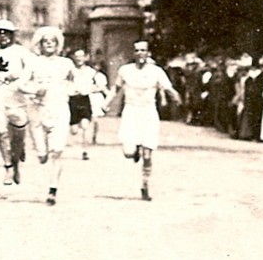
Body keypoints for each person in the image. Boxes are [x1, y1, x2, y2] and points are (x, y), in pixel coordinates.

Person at [106, 41, 182, 201]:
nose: (140, 53)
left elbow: (168, 88)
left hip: (148, 112)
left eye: (143, 50)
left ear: (148, 53)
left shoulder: (157, 71)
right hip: (131, 112)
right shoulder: (125, 70)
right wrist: (106, 102)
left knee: (148, 154)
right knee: (128, 153)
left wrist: (176, 97)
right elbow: (116, 88)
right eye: (137, 50)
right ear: (133, 53)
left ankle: (145, 186)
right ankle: (135, 151)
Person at [19, 27, 75, 205]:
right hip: (38, 111)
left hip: (59, 109)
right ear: (40, 44)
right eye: (45, 41)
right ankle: (41, 154)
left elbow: (74, 81)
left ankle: (53, 188)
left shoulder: (66, 63)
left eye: (53, 41)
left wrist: (72, 89)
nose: (49, 43)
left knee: (56, 151)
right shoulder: (34, 63)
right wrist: (34, 90)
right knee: (43, 155)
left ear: (58, 44)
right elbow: (21, 84)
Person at [0, 19, 37, 186]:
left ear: (13, 34)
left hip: (17, 98)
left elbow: (31, 70)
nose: (2, 36)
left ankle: (16, 162)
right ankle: (8, 167)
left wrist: (19, 78)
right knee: (2, 131)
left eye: (6, 32)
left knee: (18, 136)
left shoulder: (22, 52)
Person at [68, 48, 105, 160]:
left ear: (85, 57)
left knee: (85, 125)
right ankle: (75, 135)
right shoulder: (71, 70)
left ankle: (85, 151)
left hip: (85, 100)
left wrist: (93, 89)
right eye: (77, 56)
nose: (79, 58)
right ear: (74, 58)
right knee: (74, 130)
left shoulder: (91, 71)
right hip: (73, 100)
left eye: (81, 56)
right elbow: (66, 83)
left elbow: (100, 85)